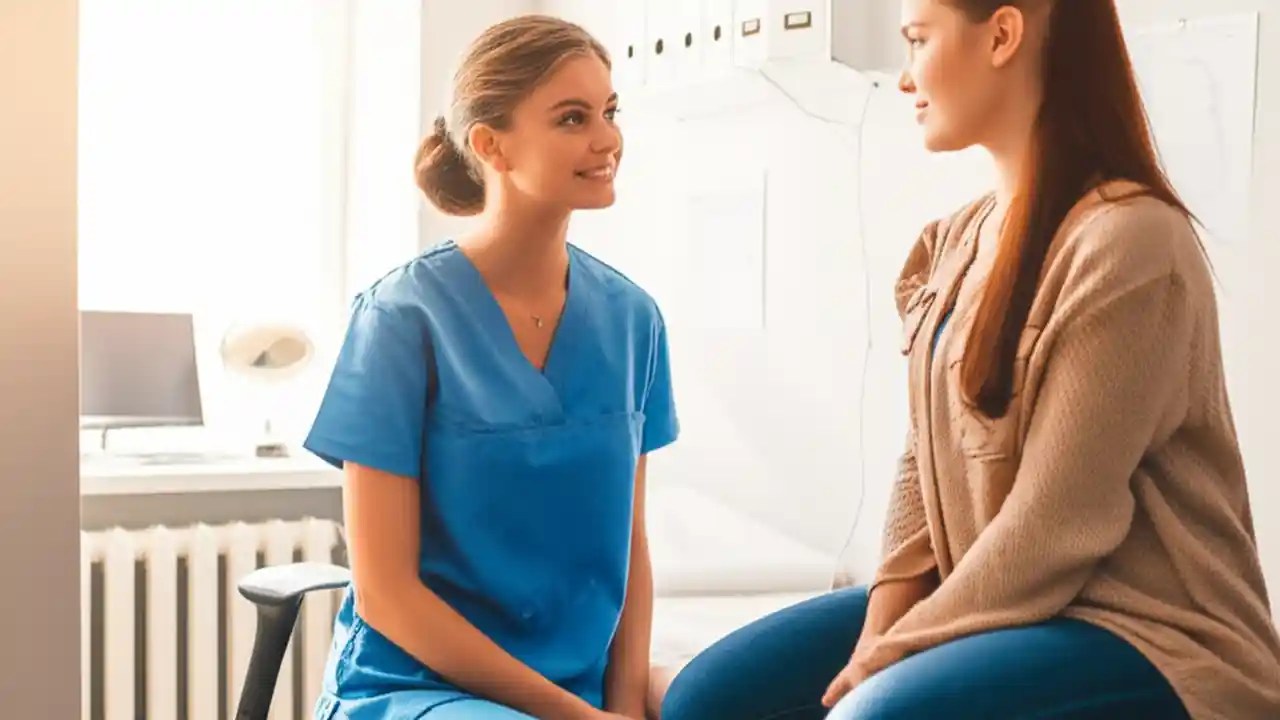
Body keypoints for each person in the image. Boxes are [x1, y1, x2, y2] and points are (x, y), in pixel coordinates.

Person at [656, 1, 1280, 718]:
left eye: (918, 42)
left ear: (1003, 34)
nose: (902, 78)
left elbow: (1055, 528)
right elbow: (920, 466)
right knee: (706, 702)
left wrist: (886, 663)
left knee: (874, 715)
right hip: (990, 596)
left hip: (1145, 634)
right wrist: (876, 633)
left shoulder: (1131, 243)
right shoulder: (953, 242)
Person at [302, 15, 678, 720]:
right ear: (489, 145)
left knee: (734, 696)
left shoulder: (633, 319)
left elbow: (632, 545)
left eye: (609, 111)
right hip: (418, 687)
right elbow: (385, 595)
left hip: (581, 686)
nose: (607, 139)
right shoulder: (400, 319)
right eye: (573, 118)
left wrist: (623, 708)